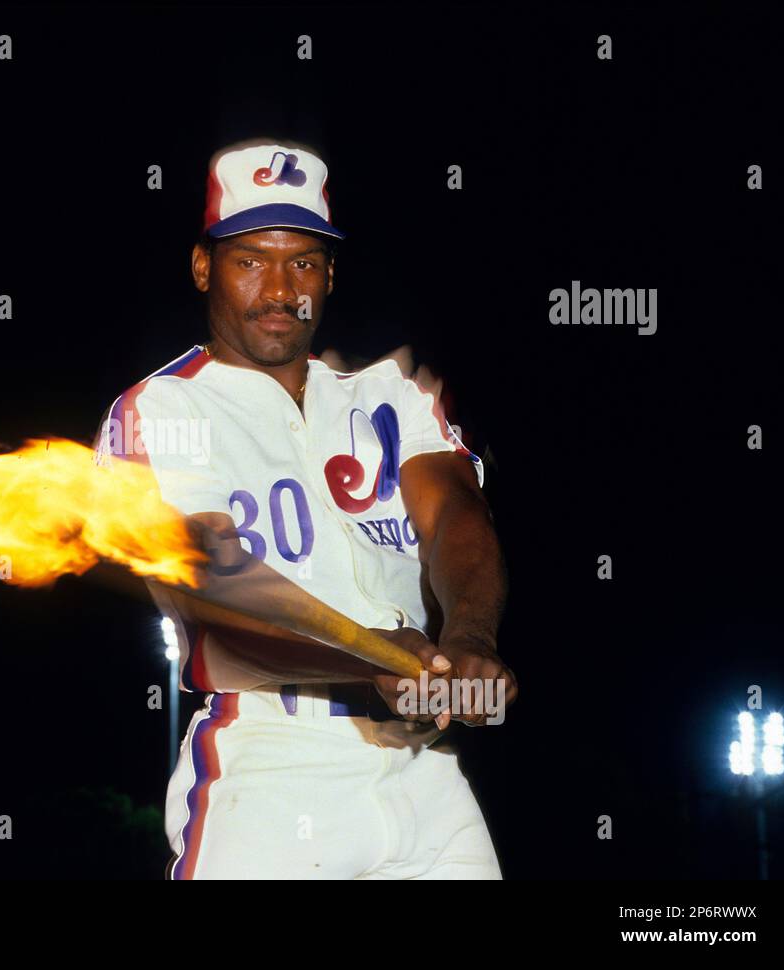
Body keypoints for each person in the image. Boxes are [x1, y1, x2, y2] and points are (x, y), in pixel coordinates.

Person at [94, 139, 517, 880]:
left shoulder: (388, 394)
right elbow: (208, 599)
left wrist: (472, 638)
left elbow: (456, 513)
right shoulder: (162, 408)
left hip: (426, 774)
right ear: (203, 267)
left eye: (304, 262)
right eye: (251, 259)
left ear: (329, 274)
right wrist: (371, 661)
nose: (281, 287)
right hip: (269, 767)